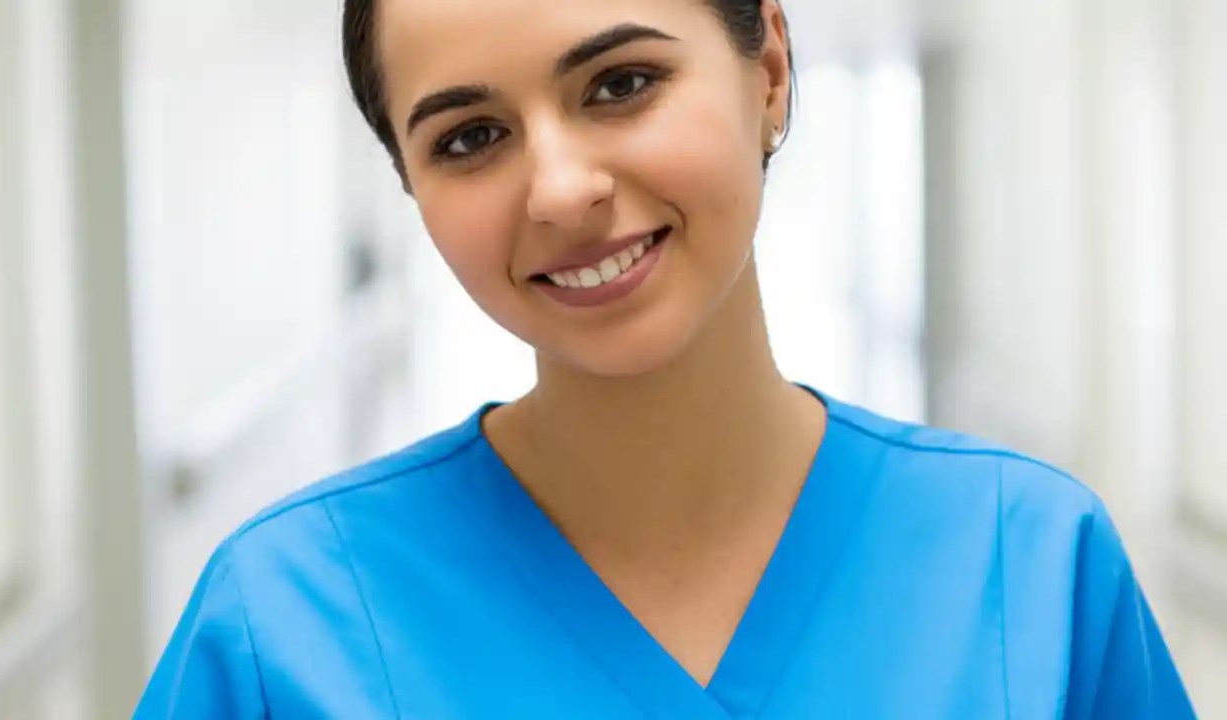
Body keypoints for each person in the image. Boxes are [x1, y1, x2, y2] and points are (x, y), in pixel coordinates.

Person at [134, 0, 1197, 717]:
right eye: (468, 138)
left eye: (621, 83)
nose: (561, 191)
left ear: (768, 70)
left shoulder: (1029, 565)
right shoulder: (284, 627)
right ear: (413, 187)